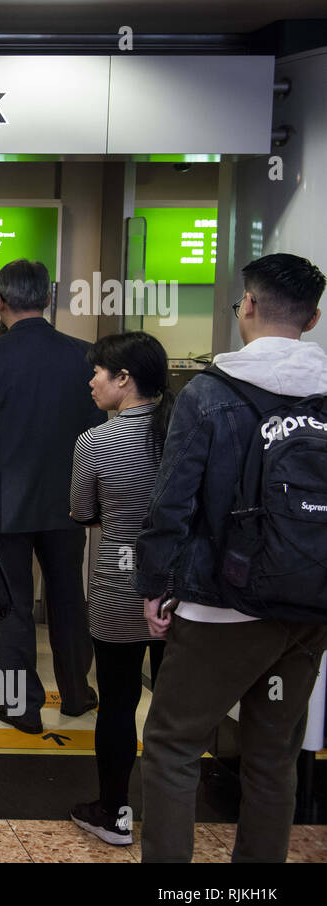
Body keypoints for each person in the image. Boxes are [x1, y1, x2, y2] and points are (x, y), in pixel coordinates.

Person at [136, 253, 327, 863]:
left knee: (173, 744)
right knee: (273, 757)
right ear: (314, 319)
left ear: (246, 305)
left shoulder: (211, 394)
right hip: (309, 607)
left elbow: (172, 505)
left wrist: (154, 586)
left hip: (222, 604)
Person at [0, 259, 105, 732]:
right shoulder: (85, 355)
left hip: (6, 504)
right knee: (68, 597)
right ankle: (77, 694)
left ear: (0, 301)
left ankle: (21, 706)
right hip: (70, 499)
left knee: (13, 603)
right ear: (49, 298)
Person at [67, 331, 174, 846]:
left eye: (98, 372)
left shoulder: (97, 441)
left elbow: (84, 513)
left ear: (123, 379)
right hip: (179, 583)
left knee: (117, 698)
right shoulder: (183, 431)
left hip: (119, 579)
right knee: (174, 703)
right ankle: (171, 812)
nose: (91, 381)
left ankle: (113, 812)